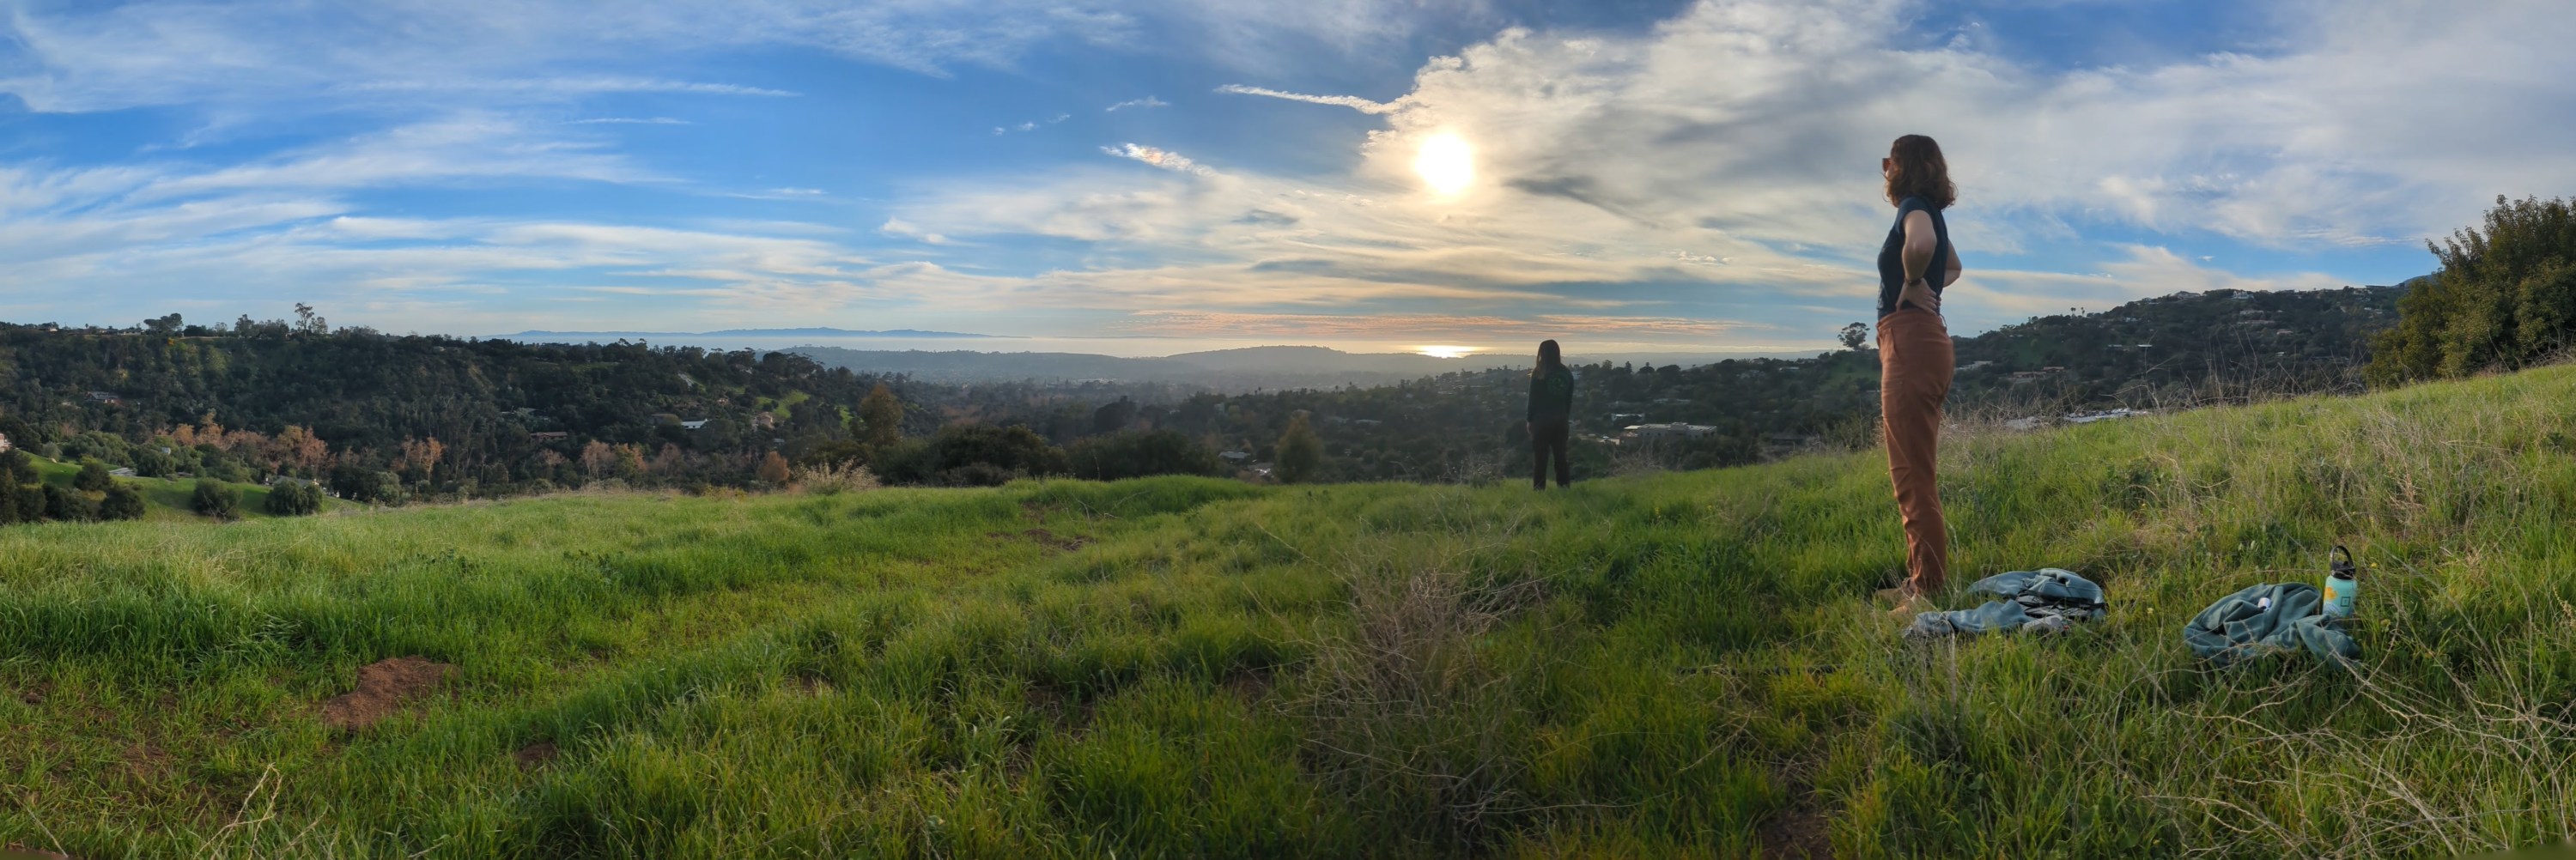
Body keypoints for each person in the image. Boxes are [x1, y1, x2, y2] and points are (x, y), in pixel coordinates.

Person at [1876, 134, 1964, 615]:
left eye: (1888, 161)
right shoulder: (1932, 210)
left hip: (1910, 339)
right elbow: (1951, 266)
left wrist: (1911, 285)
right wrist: (1926, 283)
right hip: (1924, 339)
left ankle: (1928, 590)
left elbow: (1926, 247)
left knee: (1912, 476)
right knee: (1914, 471)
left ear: (1901, 166)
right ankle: (1919, 581)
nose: (1884, 169)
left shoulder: (1913, 207)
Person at [1526, 339, 1576, 490]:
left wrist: (1529, 420)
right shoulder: (1566, 373)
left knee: (1540, 459)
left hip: (1541, 421)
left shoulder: (1539, 372)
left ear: (1542, 354)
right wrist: (1564, 417)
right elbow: (1568, 400)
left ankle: (1539, 490)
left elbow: (1532, 399)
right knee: (1561, 457)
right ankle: (1564, 488)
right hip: (1560, 420)